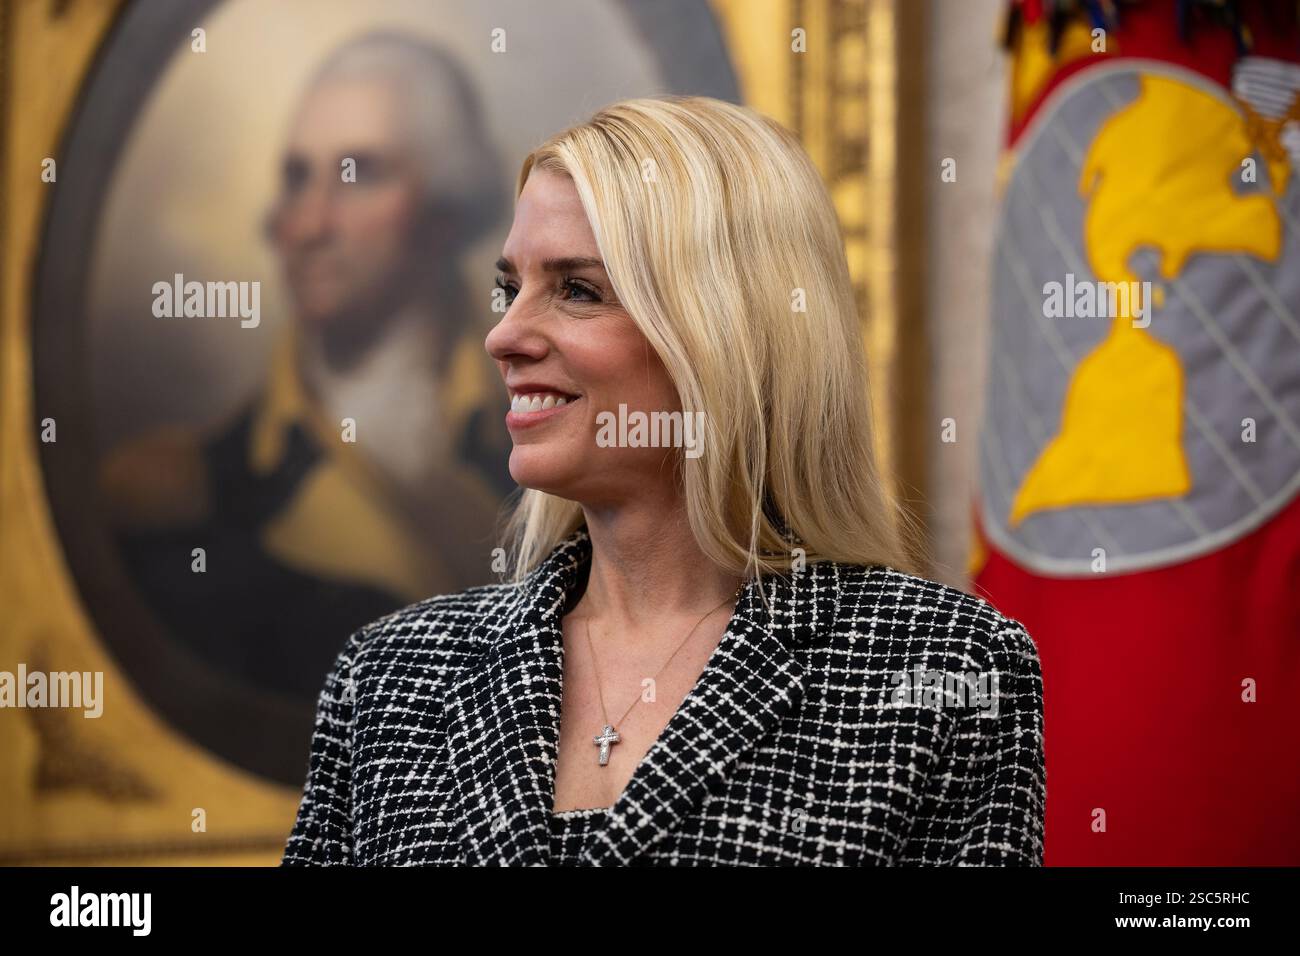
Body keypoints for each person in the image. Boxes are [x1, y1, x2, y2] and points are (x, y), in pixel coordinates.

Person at [282, 95, 1046, 866]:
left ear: (727, 329)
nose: (504, 335)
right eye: (510, 287)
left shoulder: (941, 670)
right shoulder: (389, 681)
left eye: (577, 290)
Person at [99, 33, 511, 700]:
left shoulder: (563, 456)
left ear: (443, 212)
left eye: (360, 173)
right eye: (297, 178)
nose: (310, 223)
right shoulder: (177, 499)